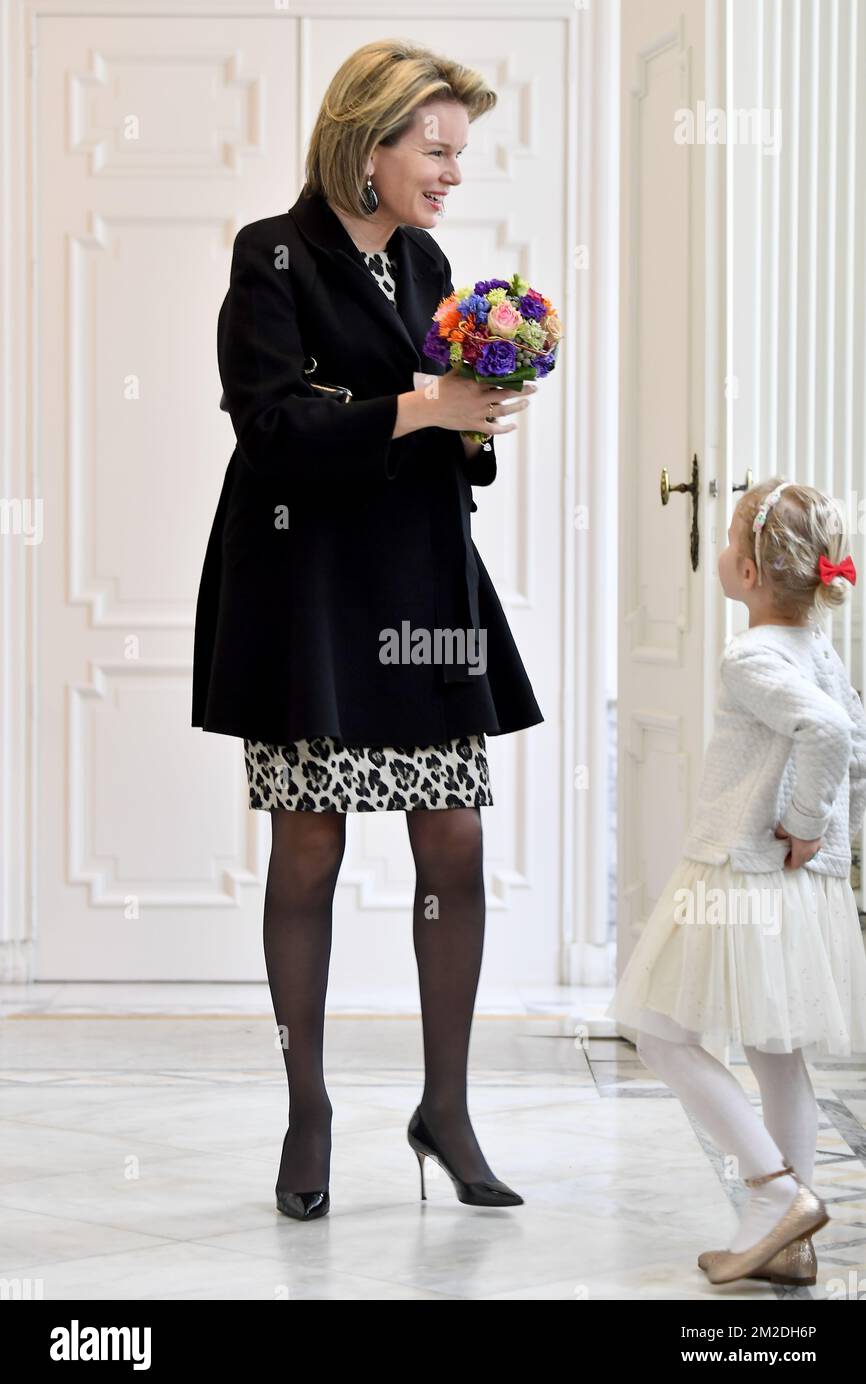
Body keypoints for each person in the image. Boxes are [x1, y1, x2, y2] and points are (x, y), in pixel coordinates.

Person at [191, 40, 544, 1219]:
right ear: (369, 143)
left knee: (454, 844)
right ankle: (308, 1109)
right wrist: (421, 406)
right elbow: (274, 428)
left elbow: (426, 439)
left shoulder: (427, 258)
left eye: (457, 153)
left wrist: (472, 421)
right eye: (433, 149)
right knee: (310, 848)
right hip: (310, 598)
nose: (450, 174)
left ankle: (444, 1110)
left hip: (425, 586)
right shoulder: (271, 254)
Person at [605, 477, 866, 1285]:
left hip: (735, 870)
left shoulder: (749, 654)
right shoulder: (819, 650)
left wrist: (804, 822)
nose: (718, 554)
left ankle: (772, 1190)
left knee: (659, 1032)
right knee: (777, 1050)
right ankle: (788, 1242)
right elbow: (849, 739)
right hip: (796, 884)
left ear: (750, 573)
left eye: (725, 541)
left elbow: (827, 733)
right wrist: (819, 831)